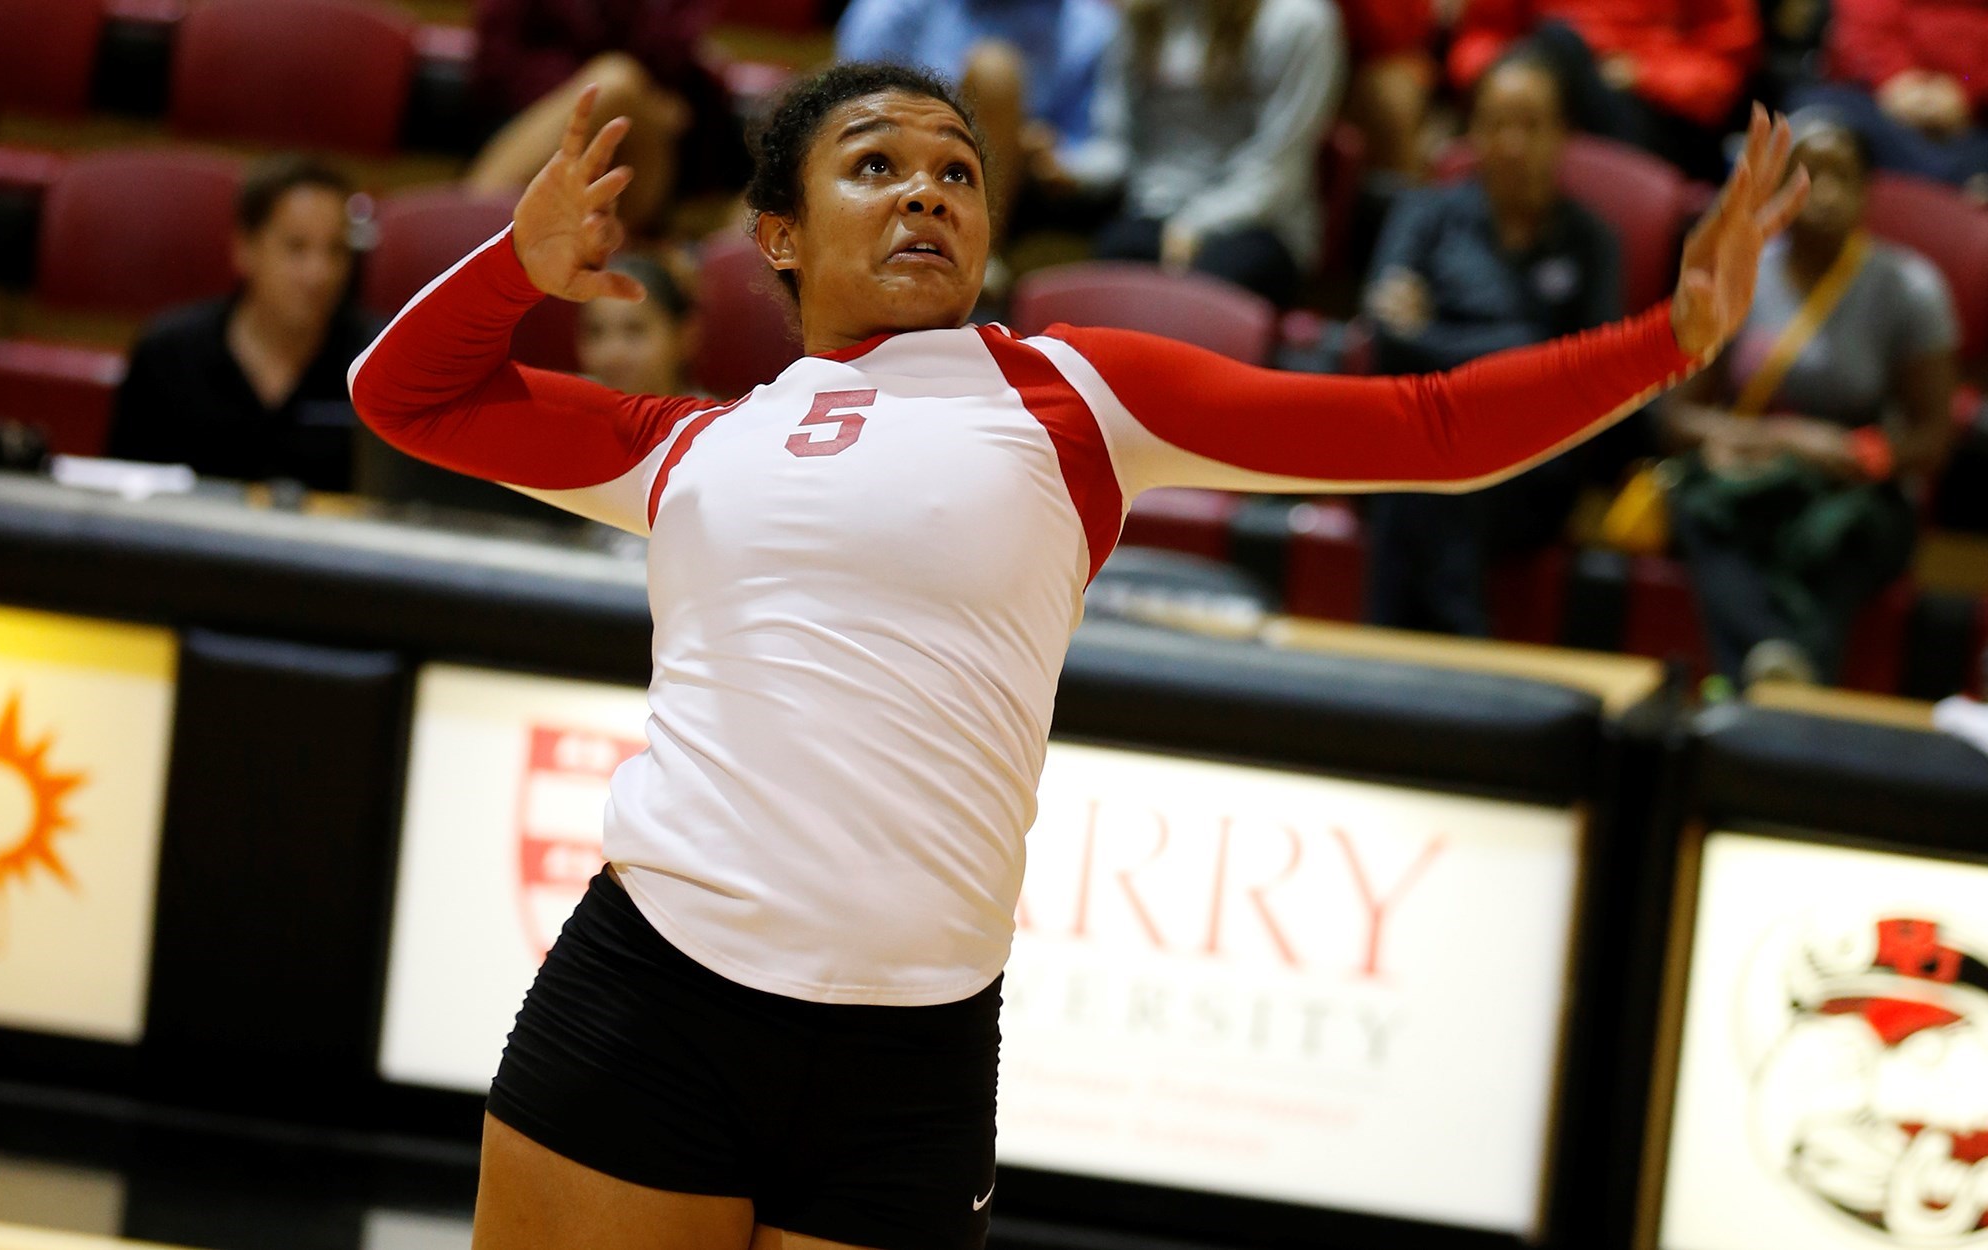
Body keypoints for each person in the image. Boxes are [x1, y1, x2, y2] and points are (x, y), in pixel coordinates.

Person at [349, 63, 1803, 1250]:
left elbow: (1422, 425)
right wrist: (512, 267)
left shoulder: (1079, 393)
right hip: (651, 1001)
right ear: (777, 236)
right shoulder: (689, 443)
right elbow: (403, 395)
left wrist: (1667, 340)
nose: (926, 187)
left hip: (909, 1058)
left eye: (958, 172)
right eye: (873, 164)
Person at [1661, 113, 1956, 686]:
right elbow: (1675, 415)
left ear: (1868, 191)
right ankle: (1782, 672)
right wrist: (1777, 441)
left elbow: (1933, 437)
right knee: (1699, 507)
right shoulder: (1737, 274)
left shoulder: (1911, 288)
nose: (1824, 192)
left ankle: (1765, 682)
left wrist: (1857, 455)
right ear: (1778, 189)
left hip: (1852, 486)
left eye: (1841, 176)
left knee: (1835, 538)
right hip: (1749, 471)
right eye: (1808, 175)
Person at [1362, 49, 1625, 635]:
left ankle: (1393, 658)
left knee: (1437, 471)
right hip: (1426, 436)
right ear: (1473, 132)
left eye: (1532, 125)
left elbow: (1593, 376)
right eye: (1497, 123)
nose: (1512, 142)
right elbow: (1386, 335)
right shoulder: (1424, 213)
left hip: (1538, 467)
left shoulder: (1592, 242)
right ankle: (1452, 652)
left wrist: (1435, 332)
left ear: (1562, 136)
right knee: (1428, 464)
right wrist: (1525, 348)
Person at [108, 156, 373, 491]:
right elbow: (121, 496)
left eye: (336, 251)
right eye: (296, 248)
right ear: (244, 248)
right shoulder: (168, 355)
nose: (319, 273)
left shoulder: (376, 364)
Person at [1061, 0, 1348, 307]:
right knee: (1117, 259)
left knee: (1206, 293)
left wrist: (1195, 226)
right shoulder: (1142, 14)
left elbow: (1279, 166)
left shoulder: (1300, 20)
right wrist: (1068, 170)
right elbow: (1117, 145)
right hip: (1154, 209)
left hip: (1259, 225)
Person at [833, 0, 1120, 238]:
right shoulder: (893, 11)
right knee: (993, 73)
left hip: (1032, 195)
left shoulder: (1092, 25)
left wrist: (1057, 158)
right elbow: (852, 125)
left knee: (994, 75)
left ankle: (974, 261)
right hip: (905, 174)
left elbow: (1106, 148)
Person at [464, 0, 734, 234]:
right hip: (527, 123)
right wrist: (586, 94)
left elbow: (674, 67)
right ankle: (476, 228)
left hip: (639, 143)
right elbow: (497, 67)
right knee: (615, 82)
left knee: (622, 86)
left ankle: (467, 227)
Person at [1448, 0, 1762, 180]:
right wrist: (1513, 80)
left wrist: (1643, 73)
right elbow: (1479, 41)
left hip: (1649, 111)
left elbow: (1725, 70)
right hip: (1546, 87)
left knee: (1559, 43)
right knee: (1556, 44)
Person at [1786, 0, 1988, 196]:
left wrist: (1967, 88)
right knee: (1819, 111)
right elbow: (1862, 27)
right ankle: (1957, 179)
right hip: (1877, 101)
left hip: (1973, 117)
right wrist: (1895, 77)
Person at [1337, 0, 1437, 178]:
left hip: (1411, 57)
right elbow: (1378, 35)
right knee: (1393, 96)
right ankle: (1403, 196)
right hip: (1356, 65)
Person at [576, 252, 698, 395]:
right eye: (596, 332)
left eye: (634, 331)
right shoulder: (568, 413)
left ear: (684, 336)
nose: (612, 354)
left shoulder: (717, 417)